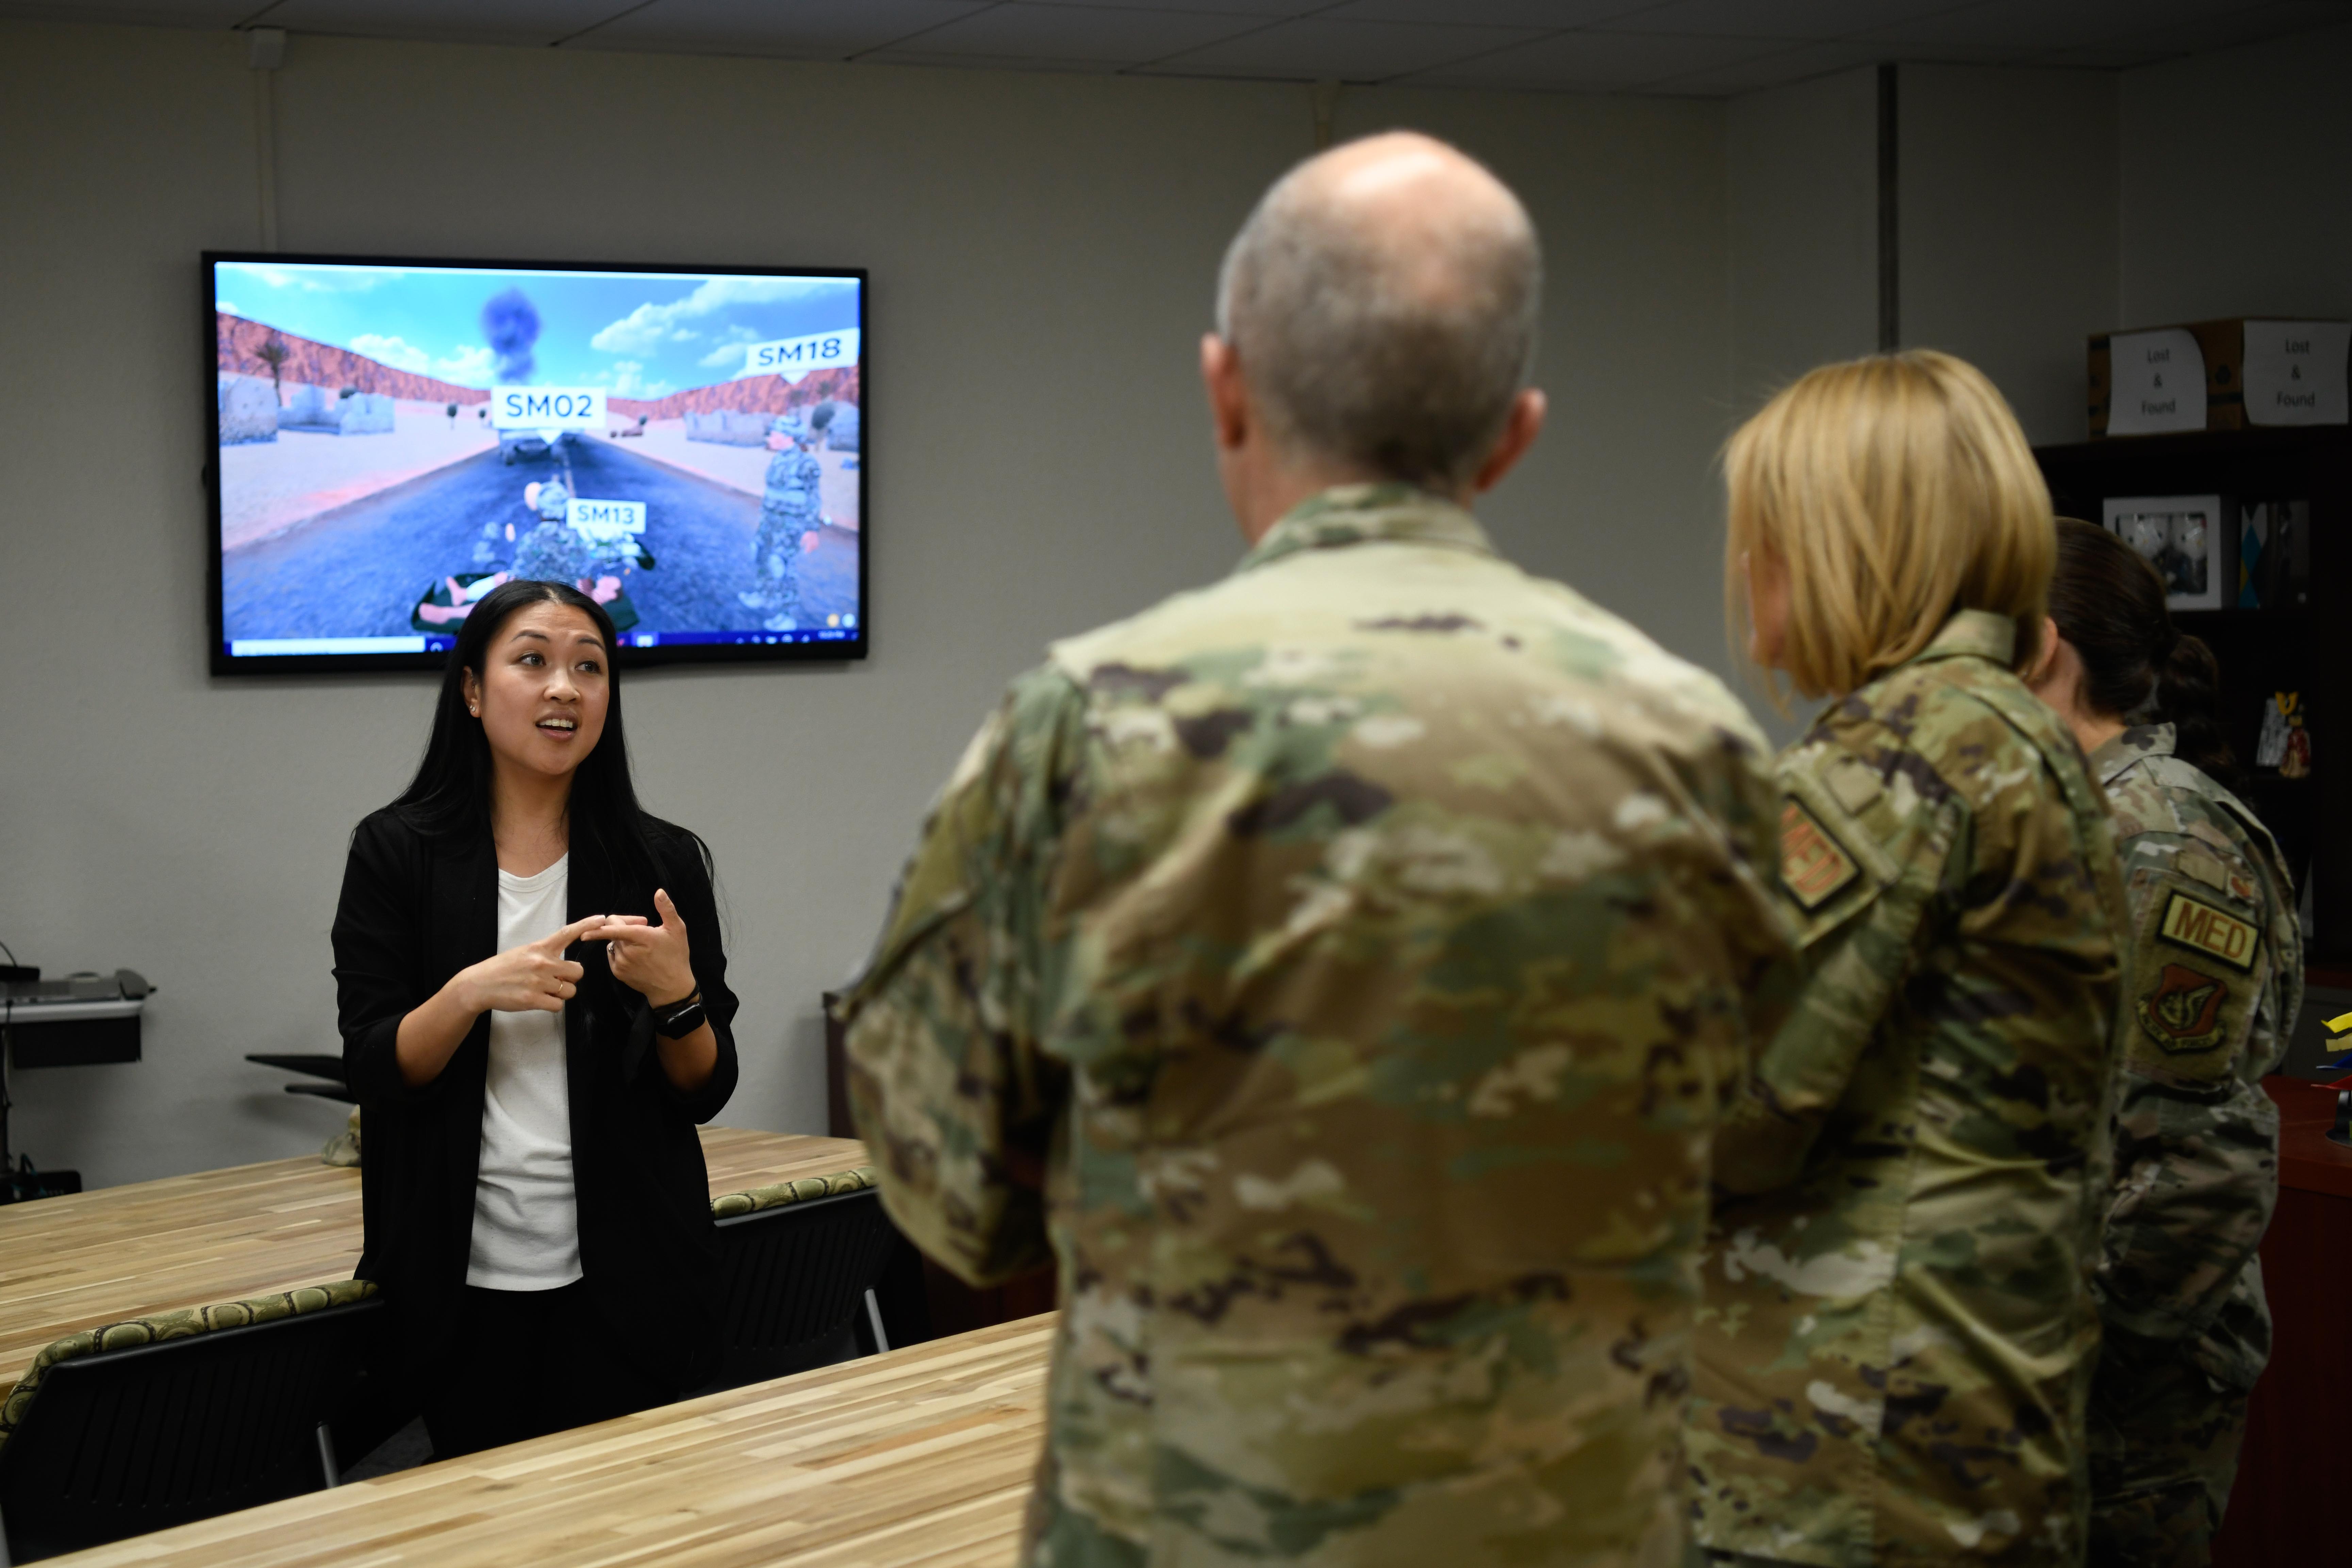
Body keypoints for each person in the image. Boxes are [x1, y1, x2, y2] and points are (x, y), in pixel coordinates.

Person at [837, 132, 1797, 1566]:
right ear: (1515, 432)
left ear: (1224, 388)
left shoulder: (1093, 725)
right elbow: (1748, 1126)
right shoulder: (1696, 742)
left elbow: (948, 1191)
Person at [1688, 351, 2130, 1565]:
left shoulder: (1899, 757)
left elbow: (1712, 1107)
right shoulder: (2008, 735)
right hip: (1950, 1446)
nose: (1744, 563)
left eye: (1765, 530)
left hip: (1839, 1472)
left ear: (1841, 545)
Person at [332, 578, 739, 1458]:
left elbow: (705, 1088)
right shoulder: (396, 852)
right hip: (459, 1284)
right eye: (532, 661)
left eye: (589, 667)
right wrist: (467, 993)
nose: (564, 688)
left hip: (631, 1279)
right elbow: (373, 1066)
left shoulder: (659, 861)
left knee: (629, 1514)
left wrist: (676, 996)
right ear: (473, 691)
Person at [2026, 517, 2302, 1566]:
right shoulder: (2056, 819)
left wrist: (2056, 1359)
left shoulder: (2162, 843)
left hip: (2121, 1402)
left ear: (2037, 647)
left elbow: (2194, 1170)